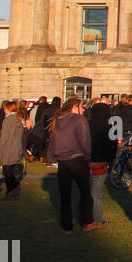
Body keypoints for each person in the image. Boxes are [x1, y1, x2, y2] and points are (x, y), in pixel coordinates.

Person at [47, 96, 96, 232]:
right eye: (82, 107)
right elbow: (85, 140)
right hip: (77, 158)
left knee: (65, 194)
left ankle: (66, 225)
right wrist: (87, 156)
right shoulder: (79, 120)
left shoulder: (58, 120)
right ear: (75, 107)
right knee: (86, 192)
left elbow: (52, 140)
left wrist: (51, 158)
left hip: (62, 160)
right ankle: (87, 222)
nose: (83, 110)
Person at [86, 99, 116, 228]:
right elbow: (111, 146)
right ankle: (97, 218)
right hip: (100, 161)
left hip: (87, 159)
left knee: (87, 190)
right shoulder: (107, 127)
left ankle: (86, 217)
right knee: (95, 191)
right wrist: (110, 159)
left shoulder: (86, 124)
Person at [0, 101, 27, 200]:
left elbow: (4, 138)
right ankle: (14, 191)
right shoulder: (18, 119)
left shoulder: (8, 120)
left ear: (9, 109)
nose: (4, 110)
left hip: (8, 148)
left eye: (5, 109)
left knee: (7, 172)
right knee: (11, 171)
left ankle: (11, 192)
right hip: (17, 147)